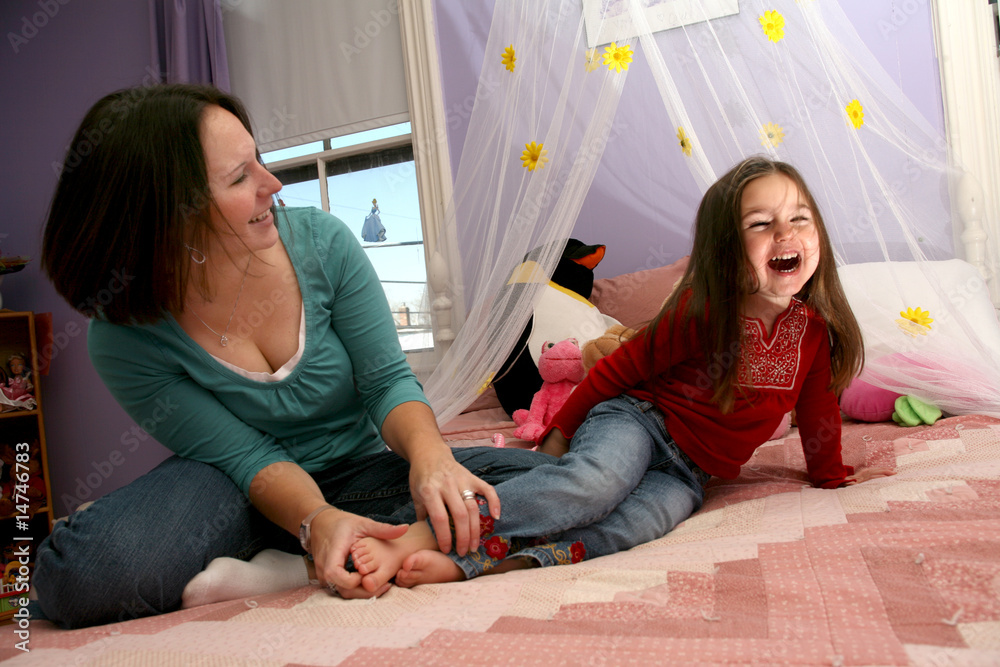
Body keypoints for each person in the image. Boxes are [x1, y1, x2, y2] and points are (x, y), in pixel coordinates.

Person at [34, 83, 547, 628]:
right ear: (167, 217)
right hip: (233, 485)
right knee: (80, 578)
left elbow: (386, 383)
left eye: (258, 160)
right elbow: (245, 456)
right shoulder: (123, 337)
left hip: (364, 473)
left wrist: (430, 458)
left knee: (542, 480)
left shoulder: (324, 245)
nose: (273, 185)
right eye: (240, 177)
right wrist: (314, 519)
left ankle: (290, 566)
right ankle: (311, 543)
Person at [348, 156, 895, 592]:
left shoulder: (816, 333)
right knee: (593, 484)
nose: (786, 232)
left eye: (799, 218)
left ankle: (491, 564)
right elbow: (619, 369)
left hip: (690, 473)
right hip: (639, 419)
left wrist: (831, 475)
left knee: (634, 526)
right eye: (761, 223)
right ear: (727, 250)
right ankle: (420, 535)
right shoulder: (704, 310)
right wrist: (561, 430)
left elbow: (820, 411)